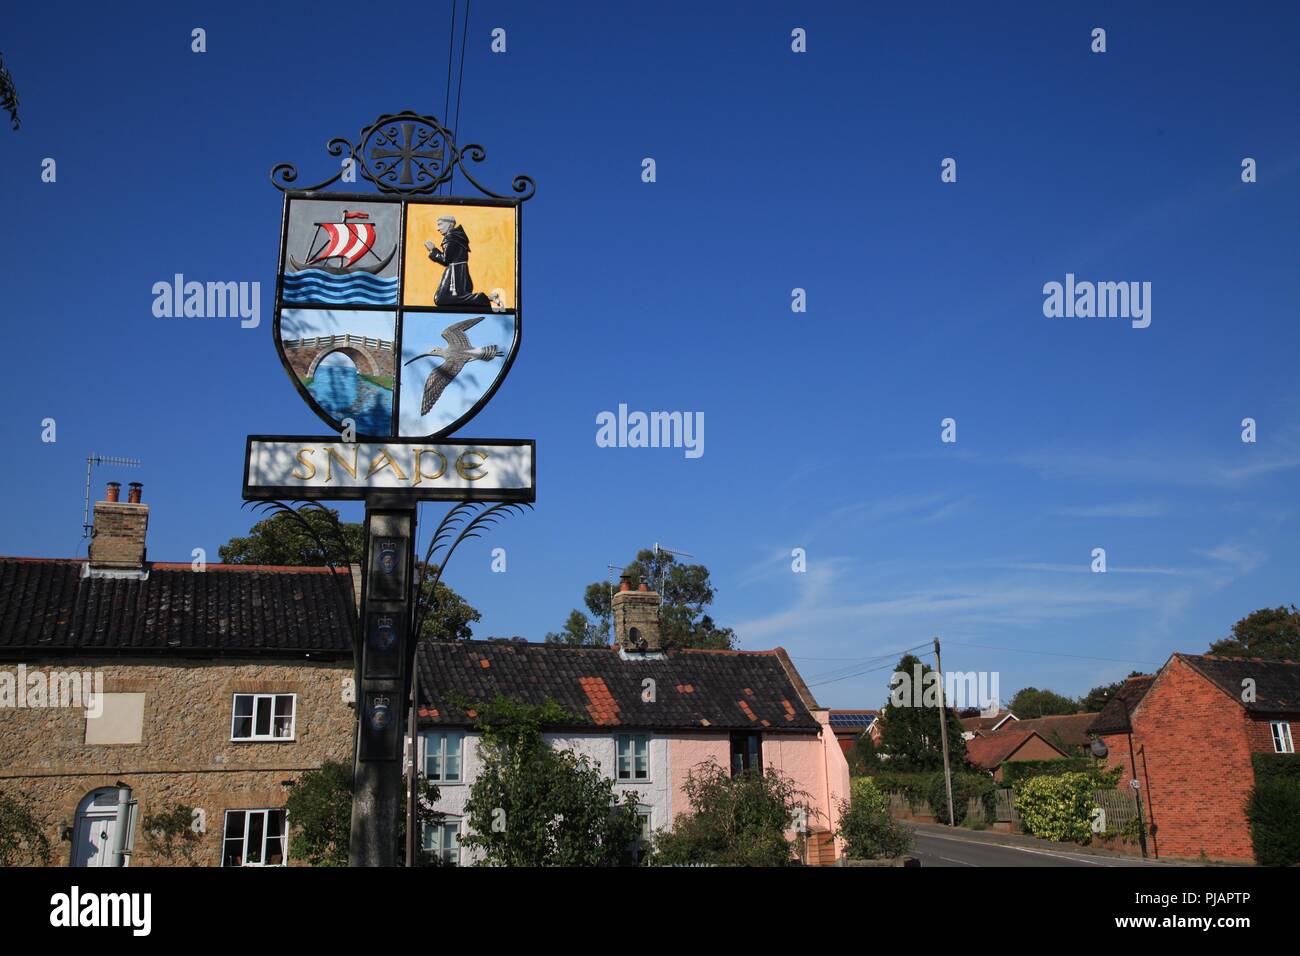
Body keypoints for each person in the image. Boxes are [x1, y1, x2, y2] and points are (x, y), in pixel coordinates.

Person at [423, 215, 505, 310]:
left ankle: (482, 298)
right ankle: (488, 298)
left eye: (440, 225)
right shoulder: (456, 236)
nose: (438, 228)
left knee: (441, 299)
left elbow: (446, 259)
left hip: (455, 276)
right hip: (459, 273)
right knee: (449, 299)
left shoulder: (451, 238)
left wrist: (433, 250)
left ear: (449, 224)